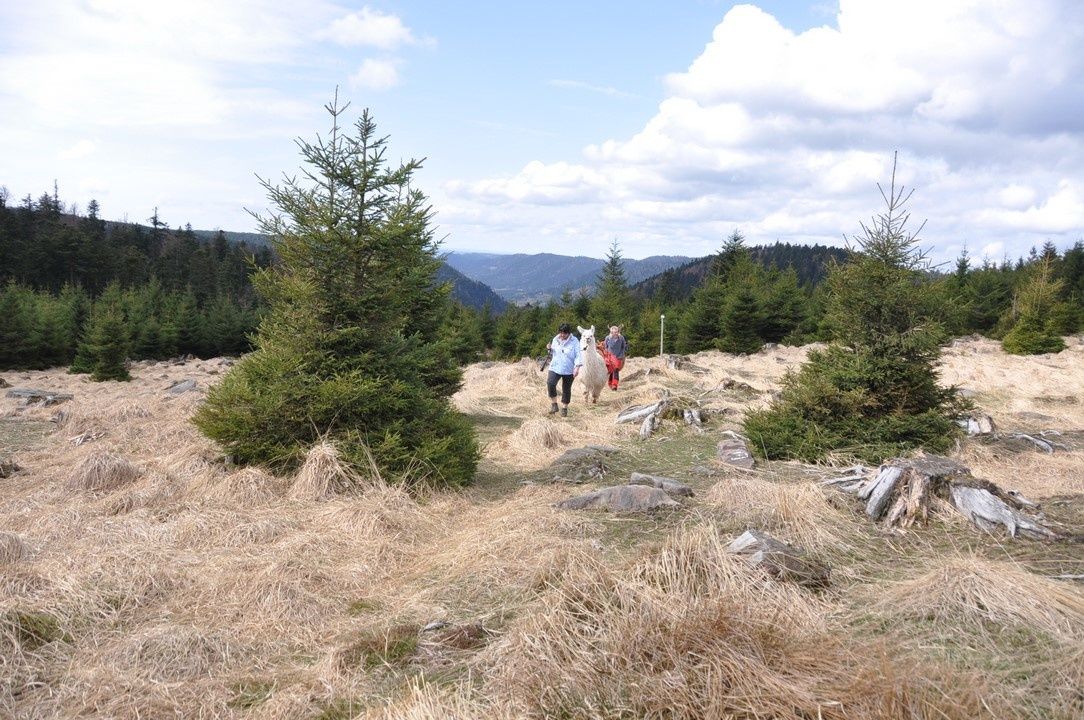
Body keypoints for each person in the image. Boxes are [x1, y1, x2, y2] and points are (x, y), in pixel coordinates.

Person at [545, 323, 582, 417]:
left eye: (564, 333)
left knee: (566, 388)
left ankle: (564, 408)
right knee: (550, 383)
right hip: (555, 366)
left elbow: (578, 355)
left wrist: (577, 367)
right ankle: (554, 405)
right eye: (560, 332)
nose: (562, 335)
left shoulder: (575, 341)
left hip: (569, 368)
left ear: (569, 333)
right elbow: (553, 352)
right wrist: (549, 348)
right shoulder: (555, 339)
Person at [602, 325, 627, 390]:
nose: (614, 333)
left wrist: (621, 355)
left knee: (616, 369)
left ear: (618, 332)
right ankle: (610, 384)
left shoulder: (621, 338)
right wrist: (607, 354)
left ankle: (614, 385)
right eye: (613, 332)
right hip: (610, 356)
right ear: (611, 332)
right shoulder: (608, 338)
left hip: (618, 356)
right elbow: (605, 346)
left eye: (616, 332)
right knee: (611, 370)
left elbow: (623, 347)